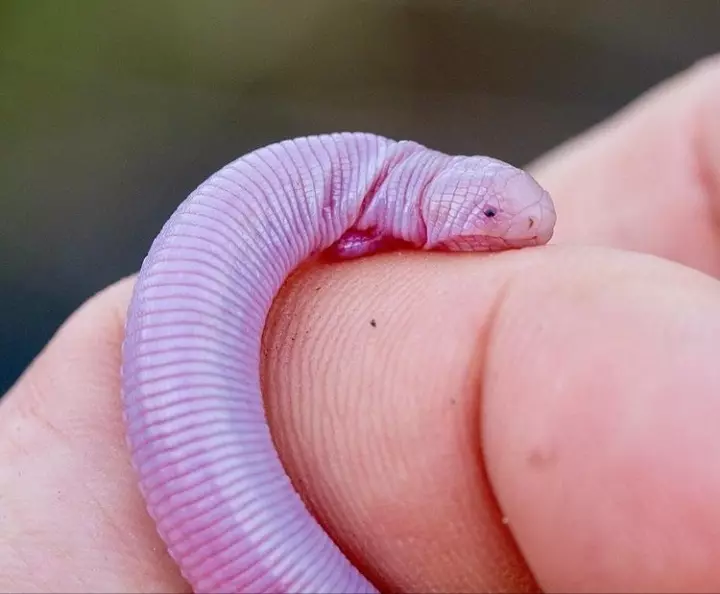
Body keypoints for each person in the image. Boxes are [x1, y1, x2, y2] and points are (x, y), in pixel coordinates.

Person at [3, 55, 720, 594]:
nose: (519, 229)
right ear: (444, 204)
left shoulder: (391, 199)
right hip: (185, 332)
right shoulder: (361, 212)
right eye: (495, 218)